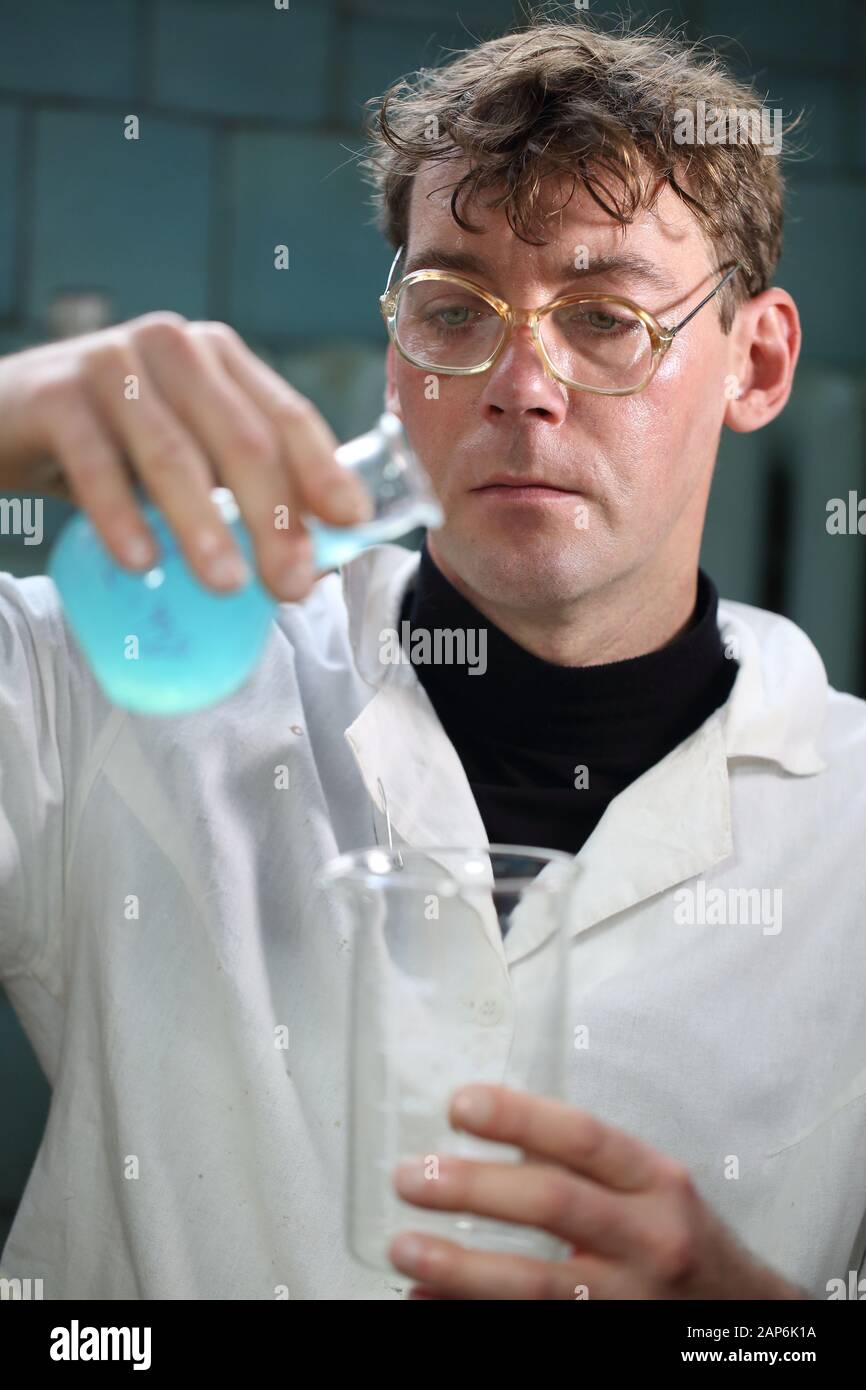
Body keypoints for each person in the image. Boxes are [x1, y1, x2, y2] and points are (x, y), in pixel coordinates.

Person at [1, 16, 863, 1302]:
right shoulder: (108, 693)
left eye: (607, 315)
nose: (521, 381)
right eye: (455, 308)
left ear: (758, 360)